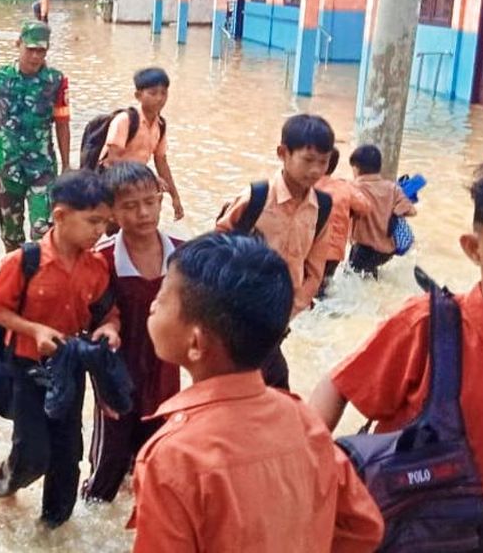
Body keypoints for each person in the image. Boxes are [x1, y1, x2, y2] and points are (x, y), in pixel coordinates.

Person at [310, 161, 483, 551]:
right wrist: (310, 480)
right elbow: (338, 388)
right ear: (474, 249)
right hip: (426, 526)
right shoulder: (428, 329)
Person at [130, 232, 384, 552]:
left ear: (195, 343)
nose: (153, 305)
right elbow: (364, 528)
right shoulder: (303, 420)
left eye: (163, 298)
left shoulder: (173, 457)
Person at [0, 170, 122, 529]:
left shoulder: (97, 266)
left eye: (105, 223)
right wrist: (35, 330)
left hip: (71, 367)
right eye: (92, 221)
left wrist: (108, 329)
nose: (99, 231)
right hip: (27, 367)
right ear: (60, 216)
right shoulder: (23, 262)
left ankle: (51, 531)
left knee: (67, 455)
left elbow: (106, 311)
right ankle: (7, 479)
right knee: (33, 452)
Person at [214, 113, 336, 389]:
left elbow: (315, 271)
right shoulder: (256, 197)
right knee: (261, 383)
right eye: (308, 160)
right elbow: (217, 246)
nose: (316, 170)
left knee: (262, 385)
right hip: (239, 313)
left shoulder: (323, 208)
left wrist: (290, 310)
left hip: (279, 318)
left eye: (324, 161)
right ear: (283, 153)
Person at [82, 162, 180, 503]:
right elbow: (87, 322)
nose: (143, 212)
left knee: (155, 466)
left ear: (161, 201)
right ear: (111, 212)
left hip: (167, 380)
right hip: (116, 380)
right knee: (106, 472)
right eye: (130, 205)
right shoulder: (101, 260)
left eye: (150, 202)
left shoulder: (183, 255)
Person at [0, 21, 70, 252]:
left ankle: (43, 283)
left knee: (44, 232)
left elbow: (63, 124)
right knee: (11, 238)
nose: (34, 56)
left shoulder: (56, 81)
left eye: (40, 51)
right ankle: (17, 282)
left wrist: (67, 165)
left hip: (42, 168)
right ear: (18, 44)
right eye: (30, 49)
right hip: (7, 167)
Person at [98, 67, 185, 221]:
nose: (159, 98)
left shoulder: (160, 125)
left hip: (135, 183)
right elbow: (113, 161)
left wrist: (175, 198)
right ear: (138, 96)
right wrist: (149, 176)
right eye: (153, 93)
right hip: (113, 183)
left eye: (164, 93)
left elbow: (161, 162)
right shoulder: (125, 121)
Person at [347, 143, 416, 278]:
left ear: (356, 168)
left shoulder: (354, 188)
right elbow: (411, 210)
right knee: (370, 278)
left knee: (352, 281)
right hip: (386, 252)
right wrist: (395, 213)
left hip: (363, 249)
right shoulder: (392, 188)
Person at [314, 148, 372, 296]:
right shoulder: (344, 187)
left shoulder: (303, 186)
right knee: (324, 288)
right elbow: (365, 208)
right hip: (333, 252)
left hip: (307, 250)